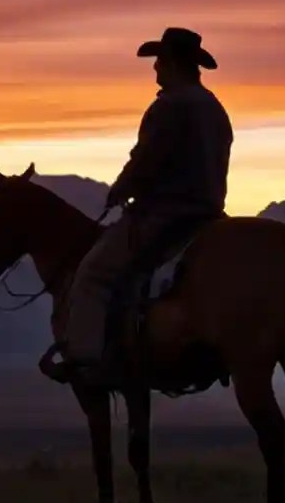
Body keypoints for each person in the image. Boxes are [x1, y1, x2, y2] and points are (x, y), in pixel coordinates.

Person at [54, 27, 233, 388]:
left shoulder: (168, 106)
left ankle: (85, 363)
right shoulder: (215, 109)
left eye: (160, 62)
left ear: (172, 64)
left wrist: (121, 189)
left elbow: (146, 160)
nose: (155, 70)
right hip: (210, 216)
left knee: (92, 273)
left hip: (166, 216)